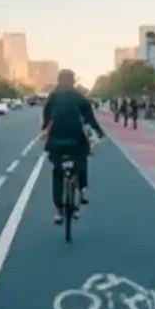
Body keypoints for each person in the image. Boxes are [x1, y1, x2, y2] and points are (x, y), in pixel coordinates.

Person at [41, 69, 106, 224]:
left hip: (56, 142)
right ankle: (82, 189)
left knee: (57, 172)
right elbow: (90, 117)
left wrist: (45, 129)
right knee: (82, 159)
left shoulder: (53, 96)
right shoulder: (79, 96)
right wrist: (99, 132)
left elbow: (46, 115)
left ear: (58, 80)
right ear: (73, 81)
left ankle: (58, 210)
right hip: (76, 140)